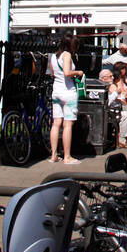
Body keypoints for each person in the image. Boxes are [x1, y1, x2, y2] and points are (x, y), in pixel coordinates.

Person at [49, 35, 81, 164]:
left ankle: (54, 155)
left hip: (56, 91)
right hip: (68, 92)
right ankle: (67, 157)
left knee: (56, 123)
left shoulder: (53, 56)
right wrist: (78, 72)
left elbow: (52, 73)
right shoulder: (67, 55)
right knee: (67, 124)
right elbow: (67, 73)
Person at [99, 67, 127, 146]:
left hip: (115, 109)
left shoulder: (110, 85)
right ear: (103, 78)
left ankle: (124, 139)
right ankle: (121, 140)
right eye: (110, 76)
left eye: (112, 76)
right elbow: (106, 102)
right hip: (106, 112)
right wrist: (116, 93)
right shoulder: (101, 87)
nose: (113, 78)